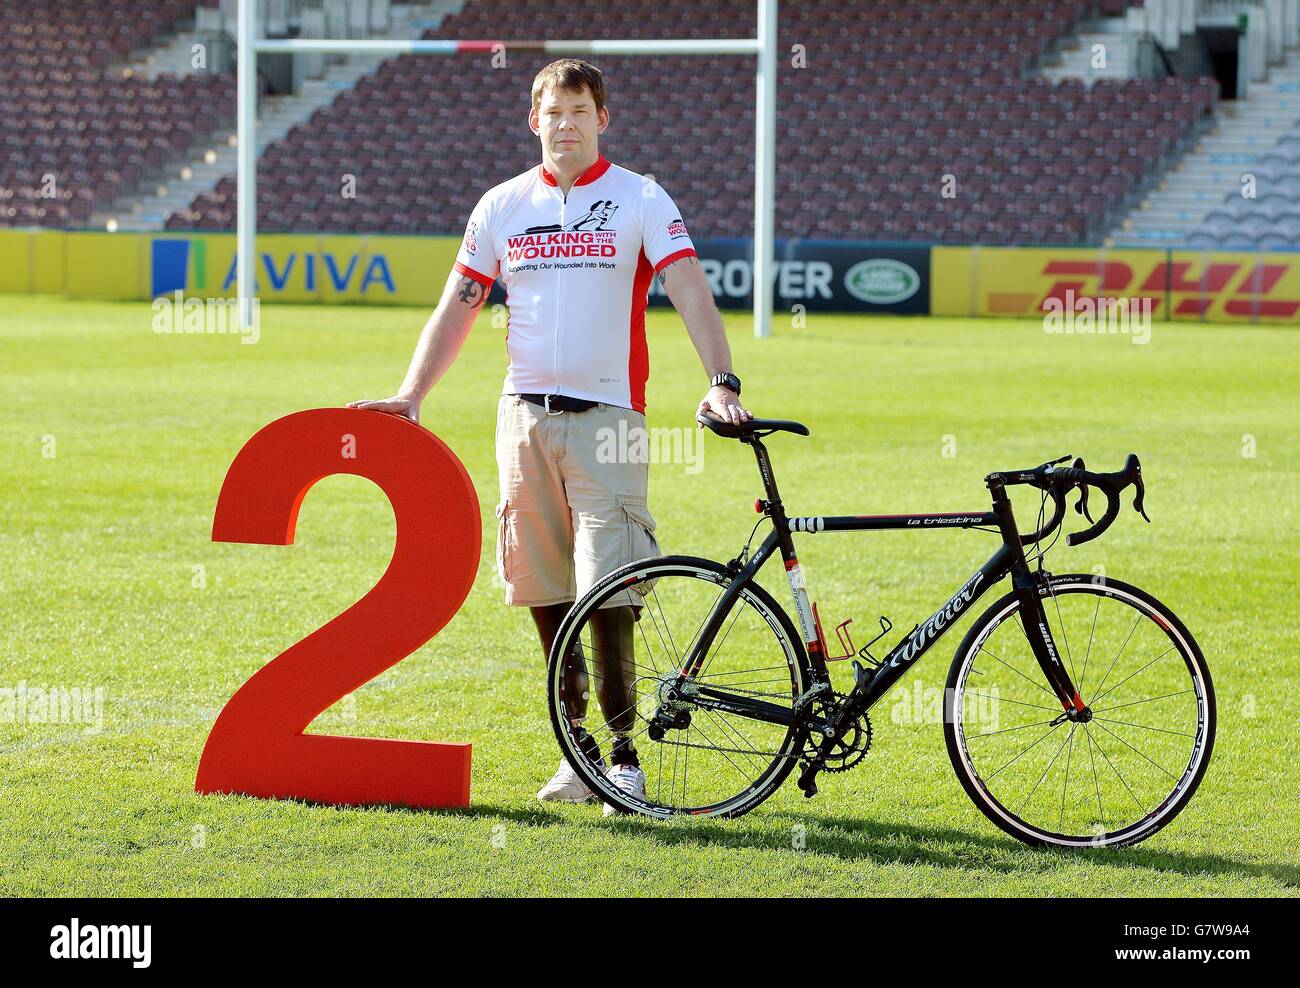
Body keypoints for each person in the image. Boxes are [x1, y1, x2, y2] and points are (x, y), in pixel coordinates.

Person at [348, 58, 750, 812]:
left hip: (611, 423)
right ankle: (579, 753)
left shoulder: (640, 196)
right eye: (552, 112)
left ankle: (625, 761)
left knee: (611, 590)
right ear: (533, 121)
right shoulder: (501, 205)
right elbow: (460, 304)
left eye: (579, 110)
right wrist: (412, 393)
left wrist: (721, 379)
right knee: (543, 589)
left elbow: (689, 286)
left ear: (603, 118)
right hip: (522, 418)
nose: (565, 124)